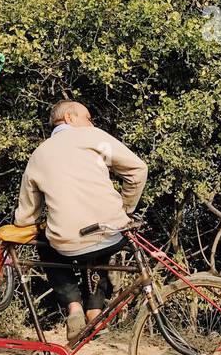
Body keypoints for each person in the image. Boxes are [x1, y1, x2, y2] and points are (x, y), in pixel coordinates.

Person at [15, 100, 148, 342]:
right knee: (100, 249)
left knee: (47, 241)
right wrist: (125, 209)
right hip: (111, 231)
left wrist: (33, 221)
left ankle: (74, 308)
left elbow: (25, 216)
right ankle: (95, 312)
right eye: (88, 117)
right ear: (69, 117)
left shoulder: (39, 154)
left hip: (68, 243)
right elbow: (138, 170)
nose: (91, 123)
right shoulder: (91, 136)